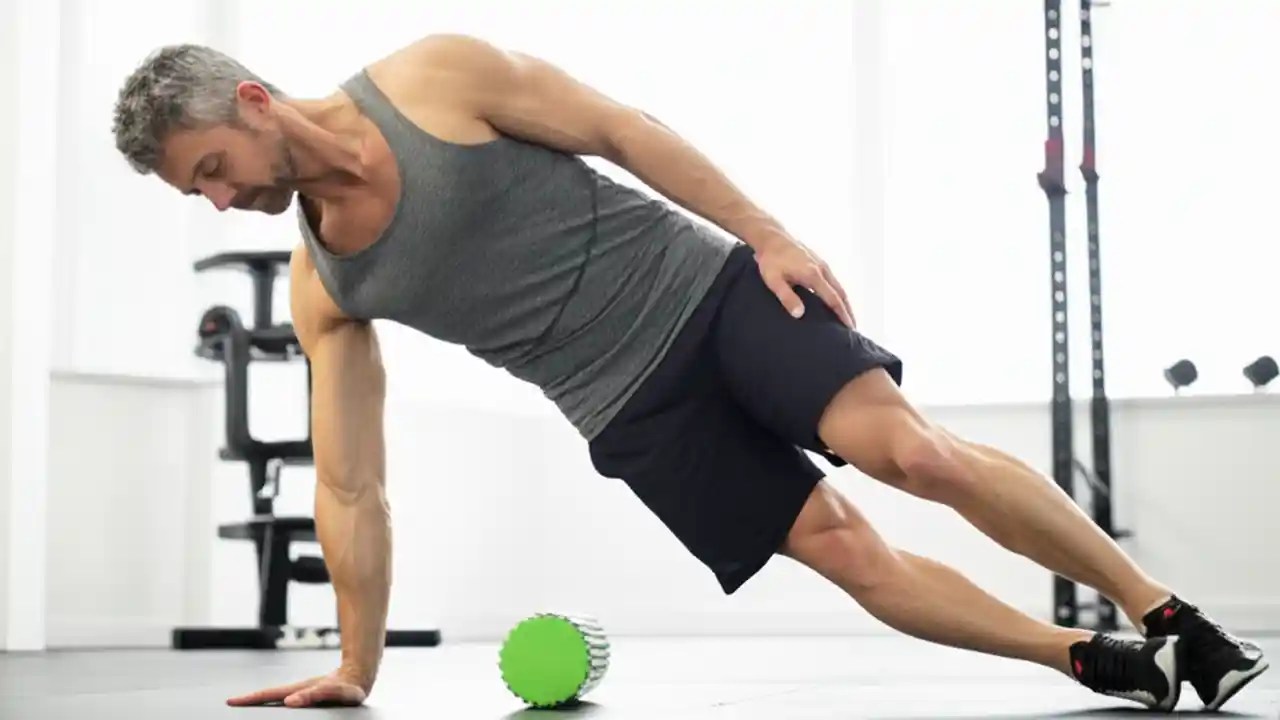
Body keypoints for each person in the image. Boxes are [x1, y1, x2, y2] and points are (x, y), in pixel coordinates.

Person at [112, 35, 1265, 712]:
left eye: (213, 168)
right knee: (848, 556)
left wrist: (766, 231)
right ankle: (1087, 658)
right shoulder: (328, 284)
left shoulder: (430, 80)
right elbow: (349, 483)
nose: (220, 200)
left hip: (705, 294)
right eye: (196, 195)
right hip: (625, 407)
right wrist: (356, 664)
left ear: (253, 102)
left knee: (911, 454)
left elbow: (619, 128)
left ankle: (1165, 611)